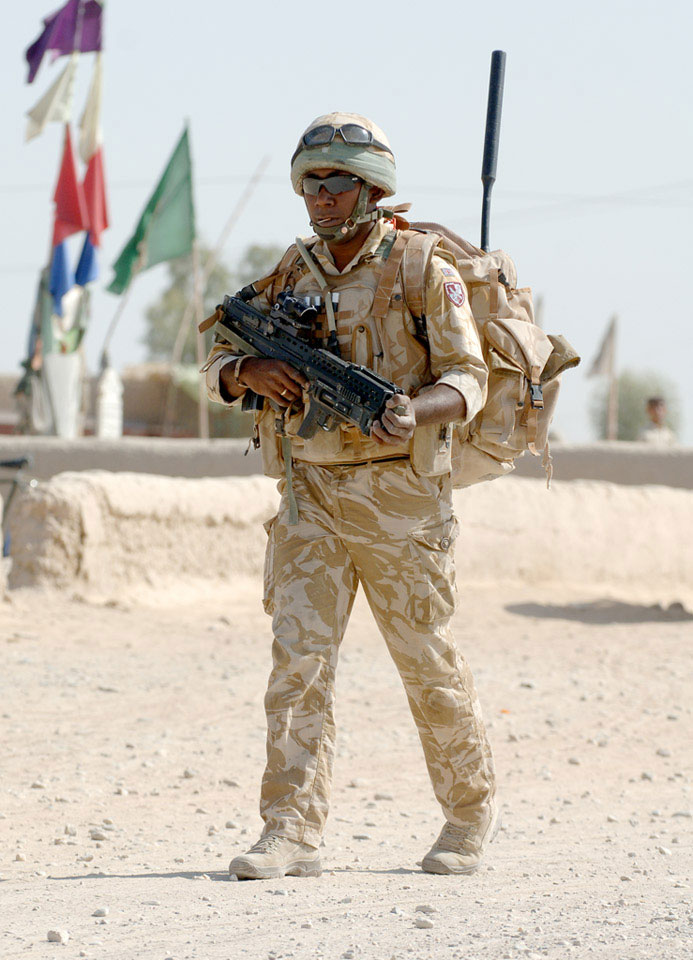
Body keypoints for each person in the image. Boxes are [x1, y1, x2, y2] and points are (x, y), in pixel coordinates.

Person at [202, 112, 497, 880]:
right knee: (297, 667)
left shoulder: (420, 267)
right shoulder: (292, 272)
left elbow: (471, 378)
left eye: (336, 183)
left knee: (425, 661)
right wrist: (245, 375)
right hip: (309, 499)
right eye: (311, 182)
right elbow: (220, 351)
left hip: (401, 500)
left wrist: (413, 408)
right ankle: (289, 830)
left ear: (371, 189)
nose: (320, 196)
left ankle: (466, 818)